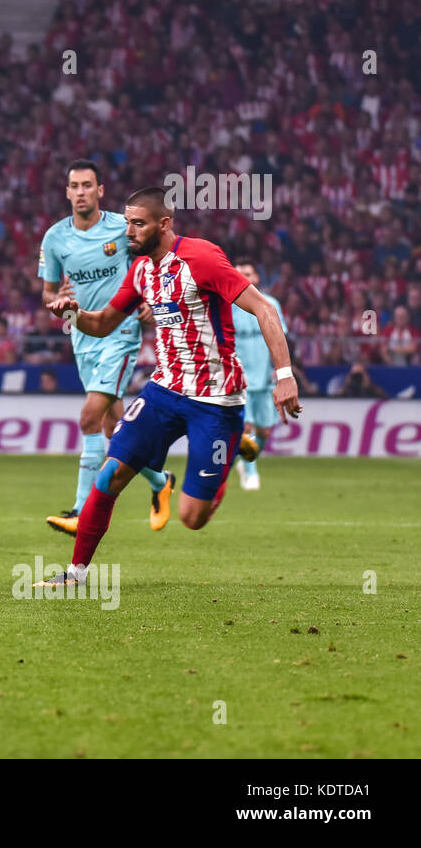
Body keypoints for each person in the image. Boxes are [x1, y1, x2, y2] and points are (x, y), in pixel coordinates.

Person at [37, 187, 300, 589]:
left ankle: (230, 455)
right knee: (110, 475)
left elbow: (263, 308)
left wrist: (284, 376)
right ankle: (75, 575)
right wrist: (72, 313)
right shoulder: (141, 270)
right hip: (164, 390)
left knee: (191, 519)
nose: (128, 231)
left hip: (215, 400)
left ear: (163, 224)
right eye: (126, 222)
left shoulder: (203, 258)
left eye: (137, 224)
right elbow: (103, 323)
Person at [39, 160, 173, 534]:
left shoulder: (122, 227)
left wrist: (149, 300)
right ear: (67, 192)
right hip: (82, 338)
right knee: (116, 432)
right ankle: (162, 483)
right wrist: (56, 298)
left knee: (89, 418)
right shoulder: (54, 239)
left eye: (87, 185)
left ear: (100, 191)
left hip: (120, 335)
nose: (80, 191)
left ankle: (81, 512)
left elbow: (154, 261)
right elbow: (48, 291)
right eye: (74, 185)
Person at [231, 261, 289, 489]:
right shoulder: (229, 305)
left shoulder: (270, 304)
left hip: (264, 378)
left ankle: (245, 462)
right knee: (246, 427)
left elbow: (280, 338)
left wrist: (280, 367)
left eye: (248, 273)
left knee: (264, 430)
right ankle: (251, 472)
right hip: (240, 378)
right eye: (240, 274)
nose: (244, 277)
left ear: (256, 276)